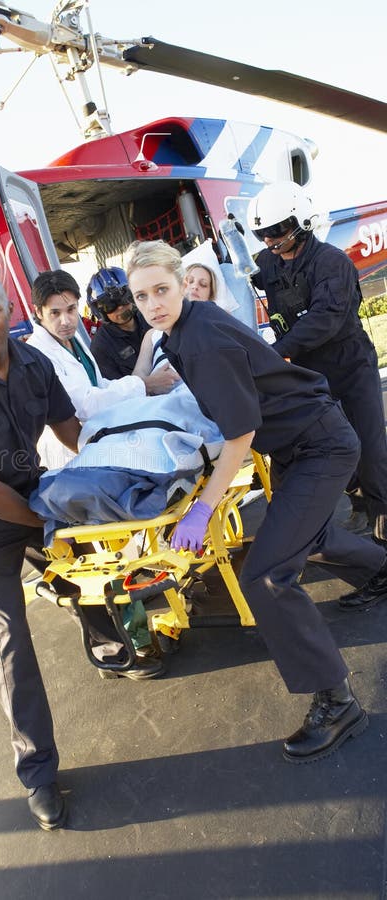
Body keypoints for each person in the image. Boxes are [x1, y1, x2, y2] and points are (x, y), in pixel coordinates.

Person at [126, 238, 387, 763]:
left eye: (162, 289)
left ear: (182, 283)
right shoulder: (185, 328)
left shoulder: (197, 339)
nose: (153, 303)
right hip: (303, 441)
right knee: (304, 537)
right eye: (141, 296)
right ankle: (381, 570)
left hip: (318, 446)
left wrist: (201, 510)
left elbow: (241, 434)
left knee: (266, 575)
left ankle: (337, 703)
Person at [0, 271, 151, 832]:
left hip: (28, 488)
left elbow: (72, 432)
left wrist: (123, 461)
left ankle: (112, 650)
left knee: (89, 562)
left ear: (9, 310)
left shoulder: (33, 363)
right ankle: (37, 772)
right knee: (11, 636)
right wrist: (53, 522)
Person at [247, 181, 387, 542]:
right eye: (263, 233)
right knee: (332, 445)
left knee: (370, 450)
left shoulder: (332, 262)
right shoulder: (269, 263)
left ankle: (383, 523)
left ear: (300, 222)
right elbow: (244, 281)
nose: (270, 241)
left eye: (277, 231)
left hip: (350, 364)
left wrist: (276, 353)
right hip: (308, 371)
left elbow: (327, 317)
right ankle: (359, 503)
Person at [27, 269, 179, 469]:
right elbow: (84, 405)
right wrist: (144, 385)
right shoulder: (37, 354)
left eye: (71, 309)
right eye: (55, 313)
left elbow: (99, 384)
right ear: (38, 312)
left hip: (95, 439)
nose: (65, 320)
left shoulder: (72, 339)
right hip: (69, 453)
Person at [86, 266, 158, 379]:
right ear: (100, 311)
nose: (120, 308)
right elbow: (116, 391)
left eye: (124, 299)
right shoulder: (101, 348)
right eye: (109, 305)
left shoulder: (152, 316)